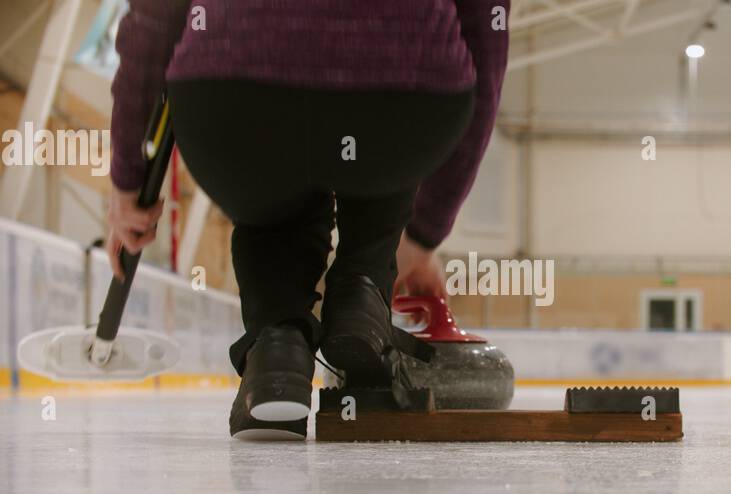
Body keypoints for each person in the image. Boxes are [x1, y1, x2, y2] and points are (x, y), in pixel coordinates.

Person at [107, 1, 509, 439]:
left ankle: (277, 348)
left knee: (271, 203)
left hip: (230, 96)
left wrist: (128, 178)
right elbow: (486, 43)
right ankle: (361, 296)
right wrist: (424, 232)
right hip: (406, 98)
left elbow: (151, 21)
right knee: (382, 152)